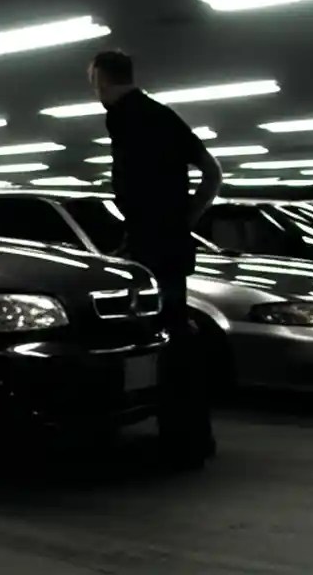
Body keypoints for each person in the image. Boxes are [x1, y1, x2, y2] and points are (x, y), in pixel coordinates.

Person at [89, 50, 224, 469]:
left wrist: (161, 228)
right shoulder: (161, 114)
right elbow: (213, 172)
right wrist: (184, 221)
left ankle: (184, 440)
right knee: (173, 336)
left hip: (156, 248)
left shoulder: (128, 117)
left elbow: (142, 191)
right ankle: (187, 434)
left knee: (165, 340)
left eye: (91, 81)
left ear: (100, 79)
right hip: (163, 244)